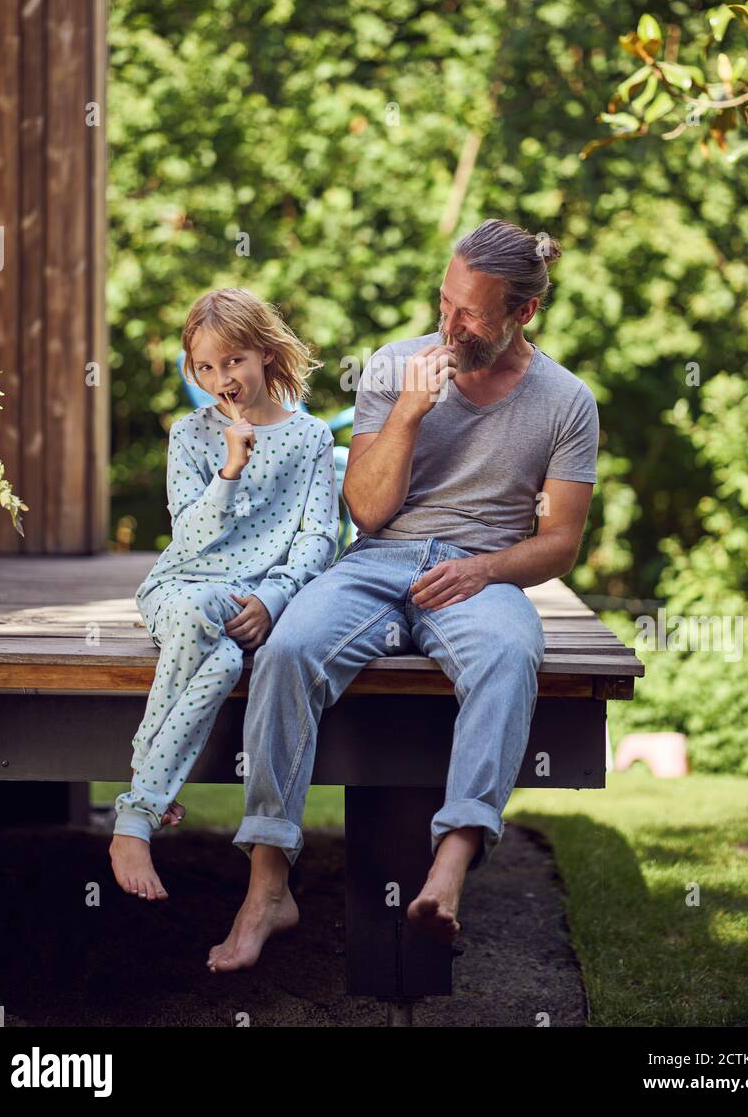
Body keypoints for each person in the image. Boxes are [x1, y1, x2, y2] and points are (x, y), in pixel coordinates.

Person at [207, 219, 600, 972]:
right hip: (377, 561)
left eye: (471, 314)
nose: (448, 325)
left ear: (523, 313)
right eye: (444, 302)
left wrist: (484, 571)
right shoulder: (394, 367)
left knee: (511, 654)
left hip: (476, 574)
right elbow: (364, 509)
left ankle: (449, 867)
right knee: (287, 648)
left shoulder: (566, 402)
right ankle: (267, 886)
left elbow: (560, 542)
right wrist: (411, 414)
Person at [109, 288, 340, 904]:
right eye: (205, 368)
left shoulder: (311, 439)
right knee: (193, 617)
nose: (221, 380)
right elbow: (186, 536)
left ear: (265, 354)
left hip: (247, 601)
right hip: (179, 587)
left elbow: (320, 539)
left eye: (233, 361)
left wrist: (276, 599)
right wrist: (229, 470)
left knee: (229, 658)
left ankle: (140, 795)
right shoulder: (190, 434)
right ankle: (137, 813)